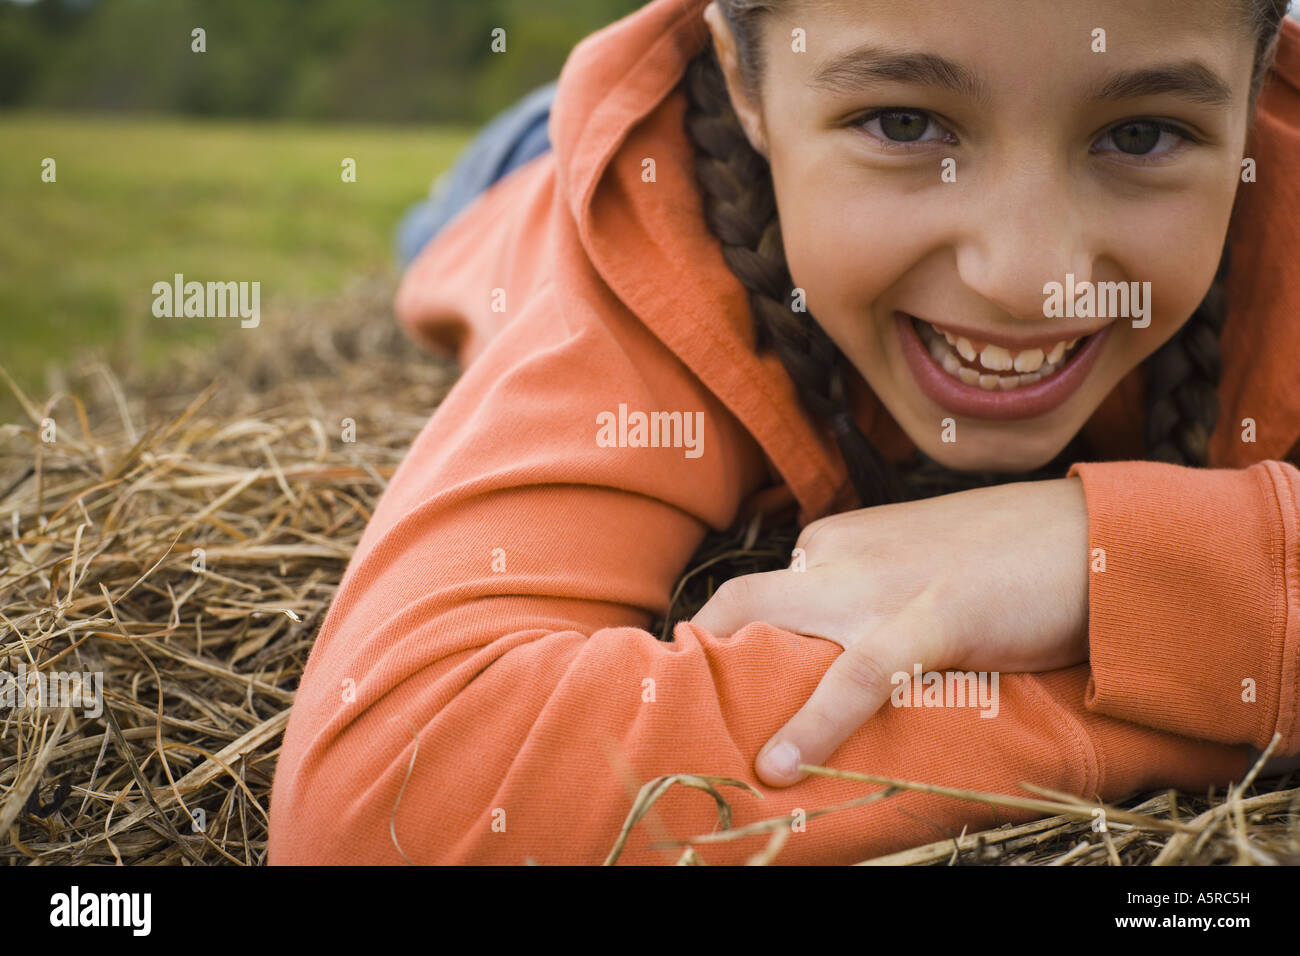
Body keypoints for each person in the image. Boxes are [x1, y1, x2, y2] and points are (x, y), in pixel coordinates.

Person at [269, 0, 1300, 865]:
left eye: (1139, 135)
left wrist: (1097, 560)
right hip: (526, 170)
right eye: (903, 123)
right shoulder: (648, 272)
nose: (1024, 277)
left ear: (1258, 89)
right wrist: (1203, 668)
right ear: (748, 82)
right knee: (482, 196)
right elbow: (390, 801)